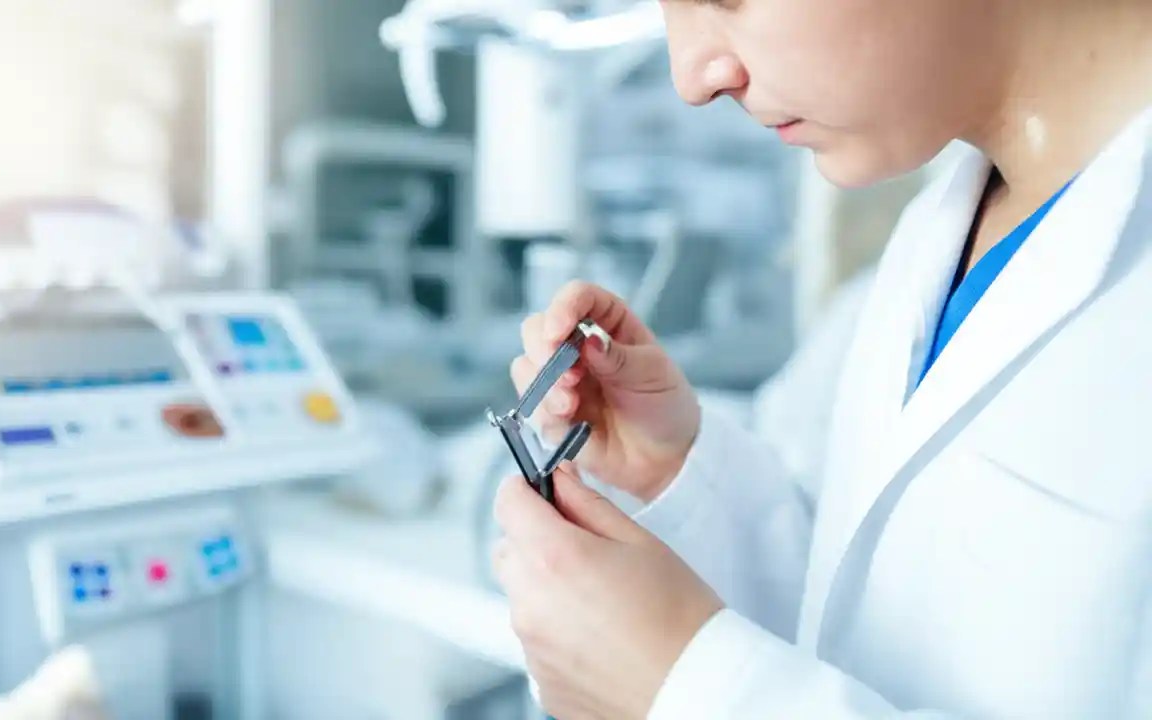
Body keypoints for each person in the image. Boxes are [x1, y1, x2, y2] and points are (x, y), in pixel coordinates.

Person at [489, 0, 1152, 717]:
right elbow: (866, 623)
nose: (692, 79)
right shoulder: (944, 227)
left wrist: (694, 695)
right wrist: (673, 465)